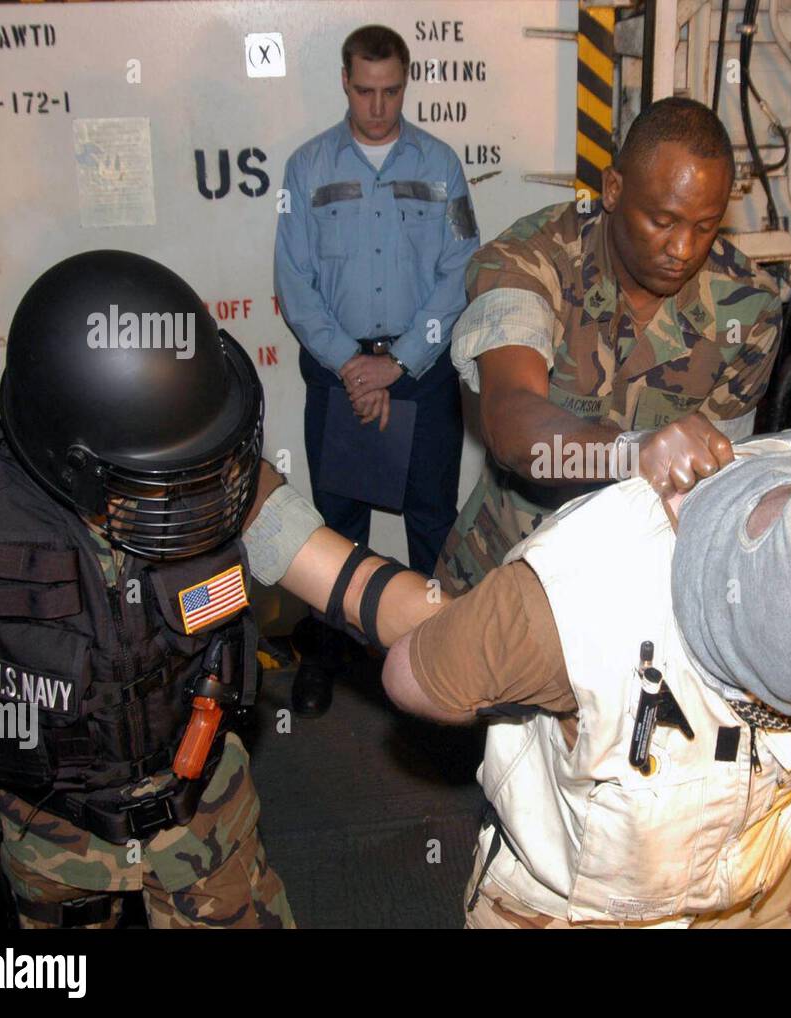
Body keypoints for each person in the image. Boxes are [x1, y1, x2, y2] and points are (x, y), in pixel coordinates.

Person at [0, 251, 440, 928]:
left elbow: (357, 586)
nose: (197, 486)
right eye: (160, 476)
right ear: (76, 466)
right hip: (52, 843)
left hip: (202, 815)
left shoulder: (210, 470)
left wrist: (503, 631)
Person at [384, 429, 791, 927]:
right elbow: (415, 677)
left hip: (754, 867)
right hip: (581, 908)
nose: (683, 497)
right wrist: (536, 676)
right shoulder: (572, 598)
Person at [433, 96, 782, 595]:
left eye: (705, 226)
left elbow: (718, 480)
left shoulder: (748, 308)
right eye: (662, 221)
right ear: (613, 188)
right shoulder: (531, 261)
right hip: (508, 568)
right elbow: (510, 421)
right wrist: (632, 451)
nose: (682, 249)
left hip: (640, 582)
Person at [275, 24, 478, 716]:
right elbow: (295, 284)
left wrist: (399, 362)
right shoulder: (306, 169)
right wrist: (354, 365)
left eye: (391, 91)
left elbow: (459, 273)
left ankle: (434, 663)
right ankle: (328, 654)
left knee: (430, 520)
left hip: (420, 371)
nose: (379, 107)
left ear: (405, 83)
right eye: (365, 91)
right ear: (344, 82)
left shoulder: (443, 165)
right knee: (336, 524)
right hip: (340, 373)